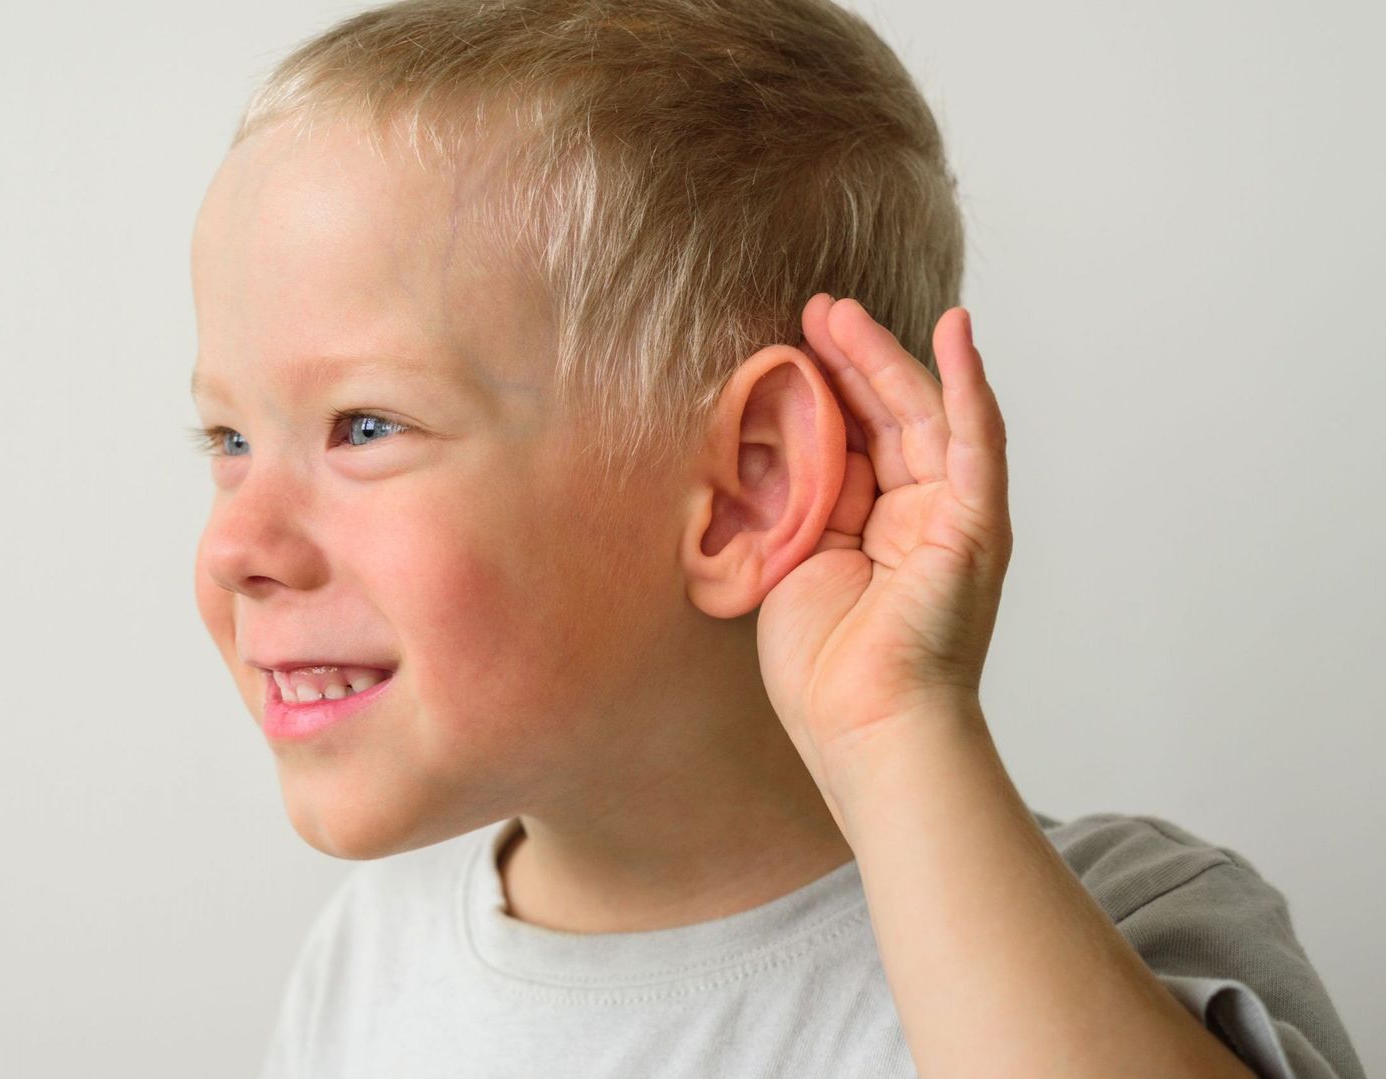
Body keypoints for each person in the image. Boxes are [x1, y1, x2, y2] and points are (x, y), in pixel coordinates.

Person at [184, 1, 1365, 1075]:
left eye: (364, 426)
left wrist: (895, 726)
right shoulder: (368, 961)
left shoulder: (1122, 928)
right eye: (227, 440)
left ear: (750, 485)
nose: (240, 543)